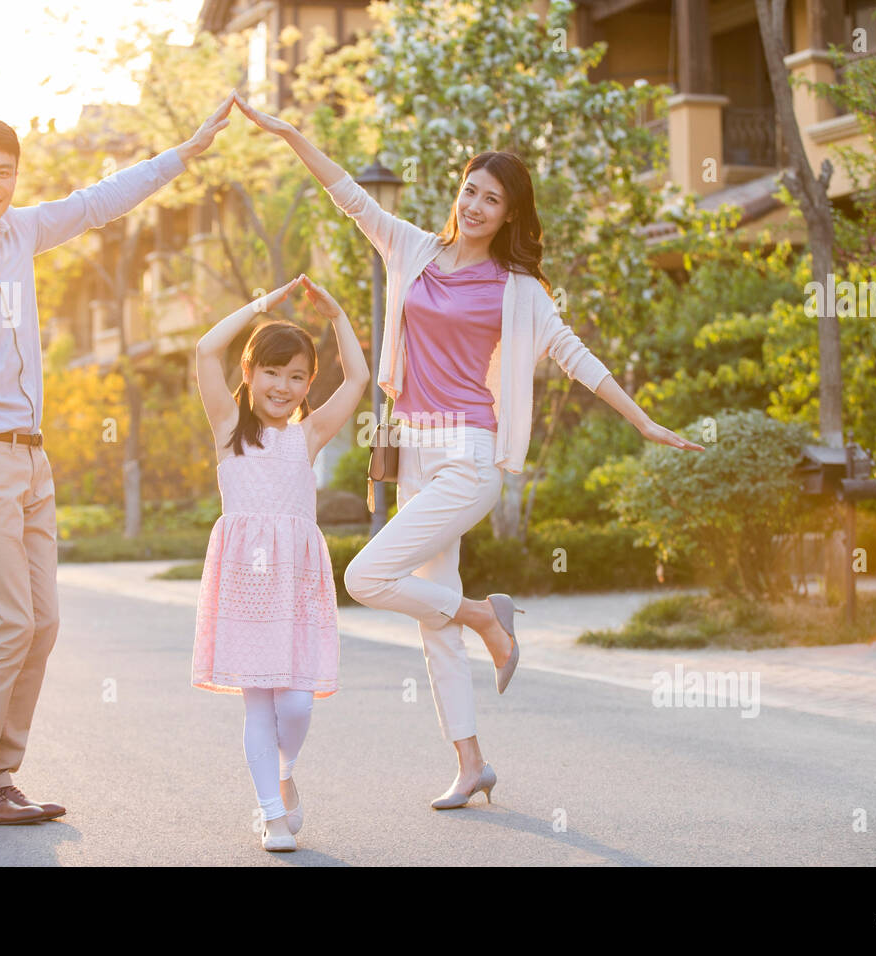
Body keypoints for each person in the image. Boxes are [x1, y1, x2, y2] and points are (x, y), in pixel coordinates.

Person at [232, 90, 704, 810]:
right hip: (414, 452)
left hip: (470, 457)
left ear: (511, 213)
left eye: (493, 199)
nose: (476, 205)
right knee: (431, 619)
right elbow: (349, 197)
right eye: (470, 190)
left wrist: (642, 421)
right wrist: (291, 132)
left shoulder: (519, 289)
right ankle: (471, 761)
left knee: (365, 576)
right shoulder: (414, 250)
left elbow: (575, 356)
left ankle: (486, 613)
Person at [0, 95, 236, 825]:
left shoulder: (18, 235)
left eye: (5, 173)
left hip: (33, 463)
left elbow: (99, 202)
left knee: (44, 624)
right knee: (7, 622)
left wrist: (182, 155)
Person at [192, 273, 369, 852]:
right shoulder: (227, 429)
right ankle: (270, 813)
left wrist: (338, 314)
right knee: (258, 705)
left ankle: (284, 773)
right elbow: (204, 349)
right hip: (244, 585)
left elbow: (361, 378)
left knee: (294, 703)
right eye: (271, 372)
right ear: (250, 374)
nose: (283, 386)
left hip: (293, 585)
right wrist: (265, 305)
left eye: (297, 376)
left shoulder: (309, 434)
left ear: (309, 383)